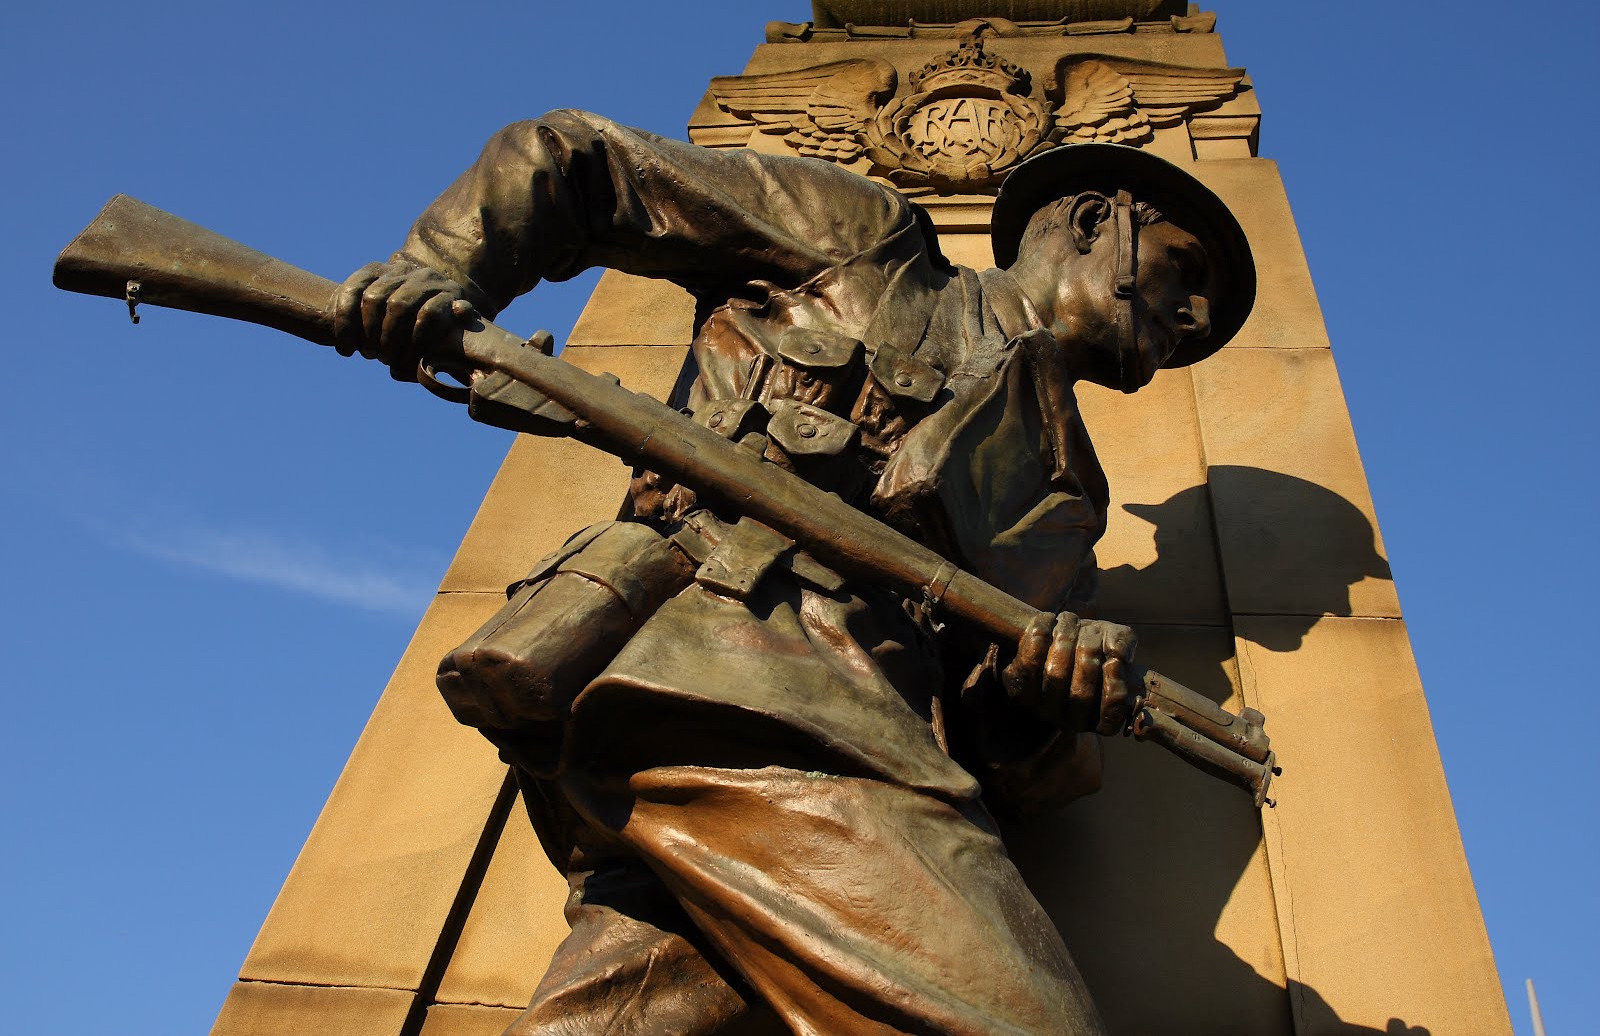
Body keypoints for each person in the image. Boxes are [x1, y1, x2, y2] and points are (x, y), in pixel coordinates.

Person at [334, 110, 1254, 1036]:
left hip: (830, 723)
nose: (1198, 317)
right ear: (1097, 222)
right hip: (729, 678)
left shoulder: (1067, 495)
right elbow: (577, 159)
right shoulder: (868, 245)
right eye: (1188, 270)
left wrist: (1043, 693)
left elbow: (1006, 749)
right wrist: (441, 272)